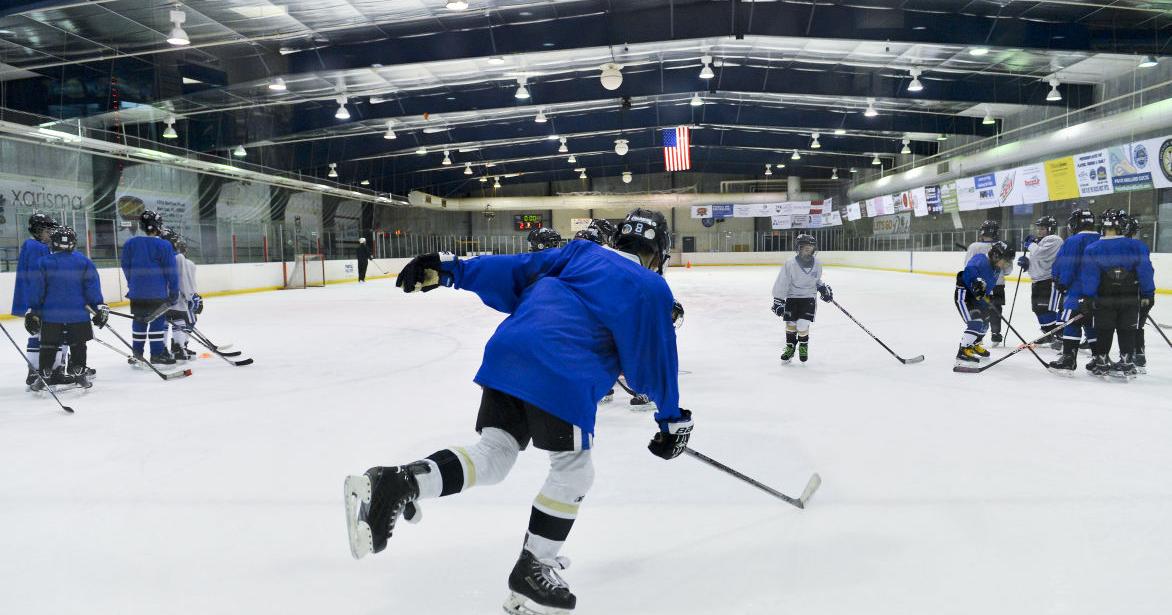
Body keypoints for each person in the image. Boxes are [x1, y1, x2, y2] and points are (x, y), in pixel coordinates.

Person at [345, 208, 690, 614]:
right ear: (658, 253)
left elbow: (517, 268)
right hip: (560, 368)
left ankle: (399, 482)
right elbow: (655, 364)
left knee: (494, 456)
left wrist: (452, 269)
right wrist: (672, 421)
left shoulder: (579, 253)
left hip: (509, 353)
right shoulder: (650, 286)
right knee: (574, 471)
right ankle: (535, 567)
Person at [23, 227, 109, 390]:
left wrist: (33, 311)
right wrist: (98, 307)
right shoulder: (84, 262)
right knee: (78, 344)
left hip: (51, 314)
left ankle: (45, 376)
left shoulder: (43, 262)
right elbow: (92, 288)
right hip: (78, 314)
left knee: (48, 345)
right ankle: (80, 374)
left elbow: (37, 290)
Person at [1078, 209, 1155, 379]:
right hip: (1130, 297)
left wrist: (1088, 297)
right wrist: (1148, 294)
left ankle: (1102, 362)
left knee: (1104, 329)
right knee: (1127, 330)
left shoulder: (1093, 248)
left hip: (1104, 298)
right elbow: (1145, 272)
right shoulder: (1137, 246)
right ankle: (1127, 362)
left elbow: (1090, 276)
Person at [120, 210, 179, 365]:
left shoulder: (130, 243)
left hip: (137, 292)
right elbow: (171, 271)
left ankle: (137, 353)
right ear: (158, 226)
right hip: (157, 293)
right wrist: (174, 291)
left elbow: (125, 266)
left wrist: (132, 283)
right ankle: (157, 354)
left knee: (139, 321)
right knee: (157, 323)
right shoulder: (164, 245)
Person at [1048, 208, 1100, 372]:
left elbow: (1067, 265)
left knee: (1072, 322)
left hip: (1077, 290)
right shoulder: (1101, 238)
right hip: (1097, 292)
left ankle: (1068, 359)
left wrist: (1062, 282)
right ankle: (1099, 358)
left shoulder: (1074, 240)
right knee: (1091, 323)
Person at [11, 212, 57, 386]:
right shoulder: (36, 247)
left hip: (36, 297)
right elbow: (40, 276)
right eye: (47, 230)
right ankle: (37, 371)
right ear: (37, 230)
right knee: (40, 333)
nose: (50, 234)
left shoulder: (34, 246)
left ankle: (40, 370)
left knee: (40, 333)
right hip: (38, 299)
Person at [771, 234, 833, 363]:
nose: (808, 249)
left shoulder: (817, 263)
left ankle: (803, 345)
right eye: (805, 246)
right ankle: (790, 348)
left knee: (802, 323)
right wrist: (778, 300)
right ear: (798, 248)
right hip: (792, 297)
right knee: (791, 324)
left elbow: (816, 280)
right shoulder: (790, 263)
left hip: (809, 297)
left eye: (810, 247)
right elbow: (782, 282)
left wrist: (822, 288)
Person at [955, 241, 1015, 363]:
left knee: (986, 320)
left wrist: (989, 296)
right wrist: (975, 282)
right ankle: (963, 350)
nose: (1006, 263)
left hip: (979, 298)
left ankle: (974, 344)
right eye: (1005, 260)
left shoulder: (996, 268)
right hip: (965, 296)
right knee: (975, 321)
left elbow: (988, 285)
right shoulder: (980, 259)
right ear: (996, 255)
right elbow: (969, 271)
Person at [1018, 216, 1064, 349]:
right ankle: (1048, 334)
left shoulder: (1055, 239)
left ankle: (1059, 335)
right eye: (1038, 228)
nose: (1039, 231)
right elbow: (1039, 260)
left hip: (1049, 280)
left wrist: (1031, 245)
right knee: (1037, 309)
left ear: (1050, 229)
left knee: (1046, 308)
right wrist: (1027, 265)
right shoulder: (1040, 241)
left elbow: (1041, 254)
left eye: (1043, 228)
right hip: (1037, 280)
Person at [964, 220, 1012, 344]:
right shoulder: (1002, 246)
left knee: (981, 310)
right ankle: (996, 334)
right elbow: (1008, 270)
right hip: (998, 284)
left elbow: (967, 266)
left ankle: (978, 337)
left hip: (980, 285)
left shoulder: (974, 247)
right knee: (996, 309)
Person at [160, 228, 199, 361]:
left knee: (164, 322)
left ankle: (163, 349)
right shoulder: (179, 257)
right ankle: (179, 348)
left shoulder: (157, 255)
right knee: (179, 320)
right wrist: (190, 296)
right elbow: (183, 279)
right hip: (176, 295)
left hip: (160, 296)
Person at [1124, 216, 1153, 372]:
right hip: (1141, 293)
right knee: (1137, 326)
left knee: (1128, 327)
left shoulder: (1125, 246)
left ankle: (1129, 357)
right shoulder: (1140, 246)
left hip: (1132, 294)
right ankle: (1139, 355)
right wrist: (1147, 294)